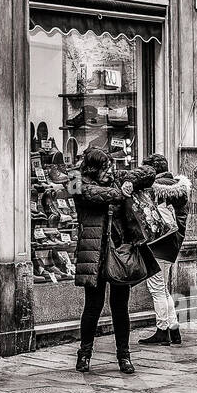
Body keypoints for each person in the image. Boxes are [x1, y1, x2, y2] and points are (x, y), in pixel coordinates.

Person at [72, 147, 135, 374]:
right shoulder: (76, 180)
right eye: (105, 166)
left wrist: (127, 183)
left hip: (119, 253)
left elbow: (145, 173)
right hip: (94, 254)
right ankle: (84, 354)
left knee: (120, 307)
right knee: (93, 307)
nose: (110, 170)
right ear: (93, 168)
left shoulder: (116, 180)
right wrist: (121, 192)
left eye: (111, 166)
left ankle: (124, 356)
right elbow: (89, 194)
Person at [139, 153, 191, 347]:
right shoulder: (179, 187)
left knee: (156, 289)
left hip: (157, 244)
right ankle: (174, 329)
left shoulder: (155, 190)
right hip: (172, 245)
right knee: (163, 288)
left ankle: (162, 331)